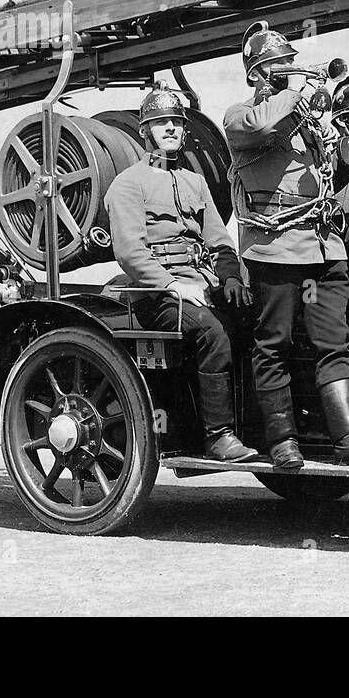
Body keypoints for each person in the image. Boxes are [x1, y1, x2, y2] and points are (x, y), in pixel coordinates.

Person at [223, 22, 349, 469]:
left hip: (324, 247)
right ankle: (282, 442)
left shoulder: (309, 124)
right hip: (275, 249)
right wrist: (297, 92)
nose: (290, 69)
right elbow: (262, 124)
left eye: (291, 63)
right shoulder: (241, 115)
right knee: (273, 344)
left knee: (333, 342)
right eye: (280, 65)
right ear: (257, 74)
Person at [104, 85, 258, 462]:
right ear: (145, 132)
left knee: (263, 321)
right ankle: (218, 437)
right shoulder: (128, 184)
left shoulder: (194, 181)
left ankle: (256, 427)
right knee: (212, 331)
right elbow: (130, 253)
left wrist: (233, 279)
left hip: (200, 282)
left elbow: (220, 242)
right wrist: (174, 286)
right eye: (160, 123)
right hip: (154, 292)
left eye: (175, 122)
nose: (170, 128)